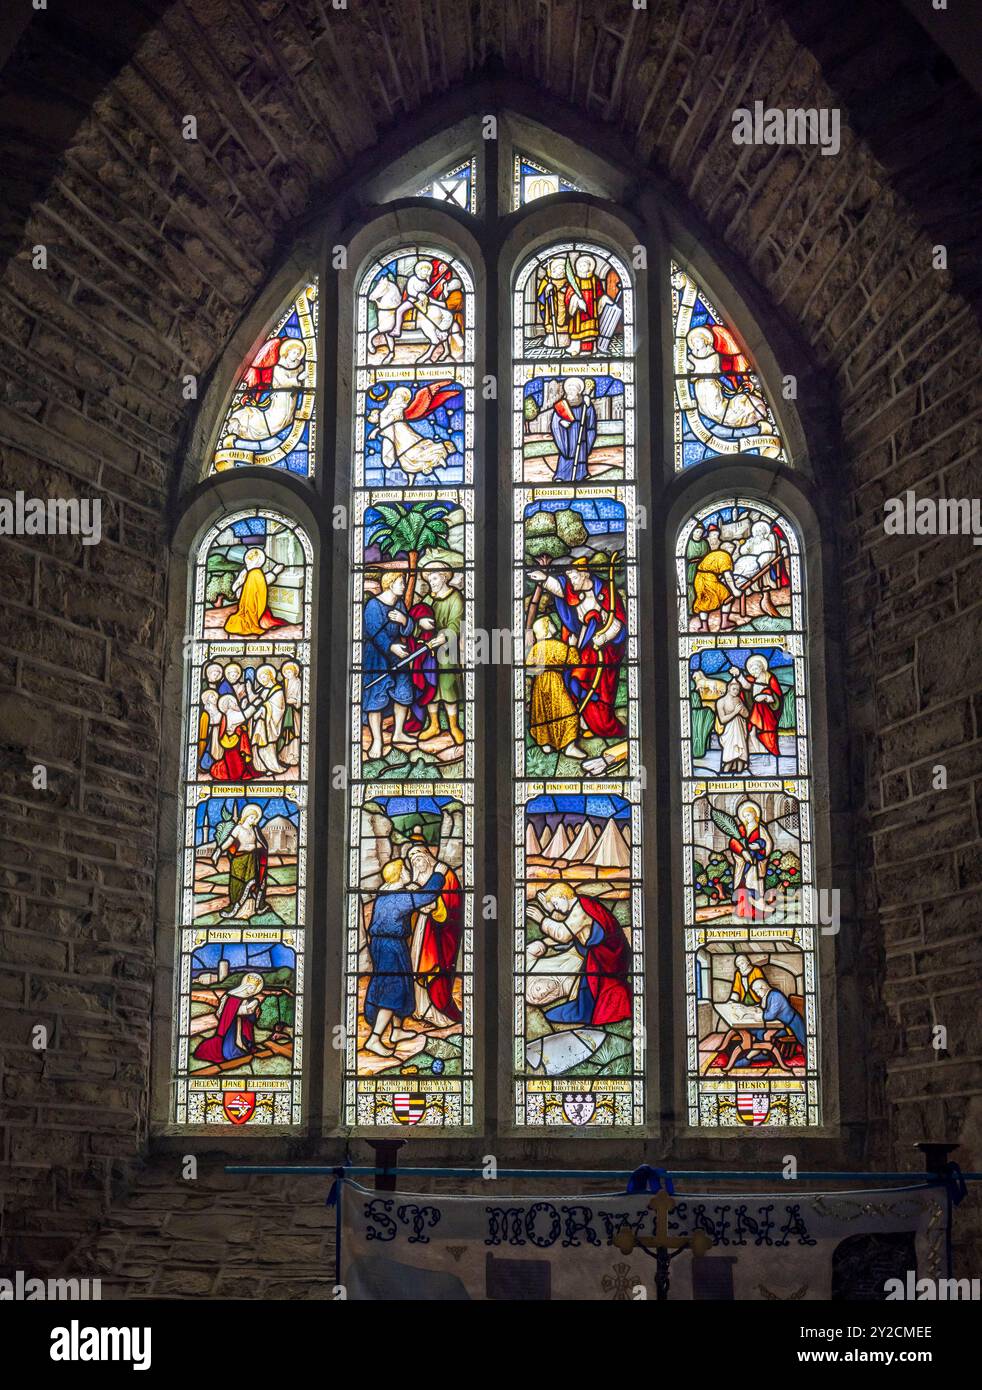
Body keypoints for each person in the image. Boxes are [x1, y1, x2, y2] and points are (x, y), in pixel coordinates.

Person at [528, 555, 626, 738]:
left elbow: (618, 622)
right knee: (573, 678)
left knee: (592, 687)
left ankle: (598, 723)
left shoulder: (605, 592)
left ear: (585, 574)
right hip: (584, 646)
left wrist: (603, 637)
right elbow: (561, 589)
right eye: (570, 578)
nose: (571, 582)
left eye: (573, 577)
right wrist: (543, 578)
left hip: (604, 653)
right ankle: (583, 719)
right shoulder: (575, 592)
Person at [363, 856, 449, 1056]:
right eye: (406, 869)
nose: (409, 871)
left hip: (388, 944)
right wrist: (439, 874)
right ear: (400, 873)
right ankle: (374, 1038)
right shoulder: (398, 898)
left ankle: (396, 1031)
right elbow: (425, 897)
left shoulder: (386, 895)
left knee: (402, 985)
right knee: (393, 989)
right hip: (389, 947)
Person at [526, 882, 631, 1026]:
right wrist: (550, 910)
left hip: (607, 954)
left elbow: (563, 934)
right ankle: (586, 1009)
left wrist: (542, 919)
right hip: (595, 952)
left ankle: (590, 1011)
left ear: (564, 896)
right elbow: (567, 928)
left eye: (556, 903)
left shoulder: (580, 910)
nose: (556, 907)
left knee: (599, 987)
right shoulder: (578, 906)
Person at [406, 840, 463, 1028]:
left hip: (440, 931)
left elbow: (453, 904)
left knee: (435, 969)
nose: (416, 863)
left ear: (427, 855)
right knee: (417, 965)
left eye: (418, 858)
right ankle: (423, 1010)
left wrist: (435, 906)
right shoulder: (420, 875)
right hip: (422, 928)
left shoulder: (444, 873)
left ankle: (440, 1013)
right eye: (413, 861)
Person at [362, 573, 416, 760]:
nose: (404, 586)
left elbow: (408, 629)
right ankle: (377, 740)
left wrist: (404, 621)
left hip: (397, 655)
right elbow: (372, 631)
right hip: (376, 656)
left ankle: (398, 732)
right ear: (390, 584)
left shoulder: (399, 604)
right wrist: (391, 646)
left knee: (403, 690)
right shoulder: (373, 606)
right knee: (375, 697)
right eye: (401, 583)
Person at [418, 562, 464, 746]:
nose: (432, 582)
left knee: (448, 686)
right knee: (431, 687)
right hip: (429, 650)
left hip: (447, 649)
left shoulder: (455, 597)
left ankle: (454, 726)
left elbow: (456, 621)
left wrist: (444, 635)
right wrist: (420, 623)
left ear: (444, 577)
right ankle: (434, 725)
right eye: (429, 579)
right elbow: (418, 616)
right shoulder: (429, 600)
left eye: (435, 578)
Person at [526, 616, 584, 757]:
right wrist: (572, 645)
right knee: (568, 712)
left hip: (540, 685)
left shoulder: (536, 648)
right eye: (549, 622)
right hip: (555, 683)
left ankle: (545, 744)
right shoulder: (558, 646)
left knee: (542, 714)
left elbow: (527, 668)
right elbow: (574, 660)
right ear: (546, 628)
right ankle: (569, 746)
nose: (552, 624)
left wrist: (539, 671)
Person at [192, 973, 264, 1064]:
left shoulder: (250, 999)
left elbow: (248, 1013)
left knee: (241, 1038)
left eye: (254, 990)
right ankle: (236, 1049)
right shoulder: (232, 995)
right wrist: (246, 1008)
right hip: (231, 1025)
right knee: (229, 1048)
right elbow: (225, 1011)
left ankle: (243, 1046)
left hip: (240, 1023)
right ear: (245, 986)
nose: (252, 991)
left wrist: (251, 1008)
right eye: (251, 988)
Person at [214, 804, 268, 919]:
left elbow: (261, 843)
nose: (253, 820)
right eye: (251, 817)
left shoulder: (255, 829)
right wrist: (218, 851)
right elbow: (229, 841)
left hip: (252, 859)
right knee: (238, 883)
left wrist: (260, 847)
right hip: (239, 860)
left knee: (255, 881)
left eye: (255, 818)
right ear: (246, 816)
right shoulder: (238, 828)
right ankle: (235, 906)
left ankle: (257, 906)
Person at [726, 799, 773, 920]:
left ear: (754, 814)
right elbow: (733, 842)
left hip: (757, 861)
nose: (747, 817)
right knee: (744, 883)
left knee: (757, 883)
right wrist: (743, 852)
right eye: (745, 816)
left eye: (749, 814)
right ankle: (743, 909)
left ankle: (760, 906)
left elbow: (767, 842)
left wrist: (760, 846)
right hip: (745, 862)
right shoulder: (741, 829)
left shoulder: (760, 828)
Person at [224, 548, 286, 637]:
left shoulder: (250, 572)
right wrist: (275, 571)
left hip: (248, 604)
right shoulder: (255, 573)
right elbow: (264, 581)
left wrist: (238, 589)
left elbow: (237, 585)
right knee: (265, 620)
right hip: (253, 606)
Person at [732, 654, 783, 759]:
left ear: (761, 667)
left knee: (766, 734)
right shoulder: (753, 678)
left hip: (767, 713)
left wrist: (767, 695)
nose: (753, 672)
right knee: (752, 734)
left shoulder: (770, 678)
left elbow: (777, 696)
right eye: (751, 670)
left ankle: (770, 753)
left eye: (755, 669)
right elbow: (747, 686)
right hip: (756, 710)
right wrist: (739, 675)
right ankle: (762, 752)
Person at [691, 525, 740, 632]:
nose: (733, 552)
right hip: (708, 579)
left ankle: (704, 627)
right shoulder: (725, 557)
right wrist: (735, 590)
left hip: (699, 578)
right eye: (732, 550)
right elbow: (727, 576)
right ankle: (724, 623)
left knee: (703, 601)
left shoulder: (715, 554)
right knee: (727, 597)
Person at [550, 377, 596, 481]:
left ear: (578, 391)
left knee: (580, 454)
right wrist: (561, 423)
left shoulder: (584, 404)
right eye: (569, 389)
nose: (571, 391)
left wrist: (588, 406)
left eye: (574, 389)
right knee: (566, 455)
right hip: (567, 436)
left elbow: (591, 421)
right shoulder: (562, 405)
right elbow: (555, 421)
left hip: (581, 434)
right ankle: (561, 475)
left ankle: (581, 474)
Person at [249, 665, 287, 776]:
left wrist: (263, 709)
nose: (262, 680)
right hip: (259, 723)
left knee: (267, 746)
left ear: (270, 676)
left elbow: (278, 708)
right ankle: (260, 766)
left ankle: (272, 767)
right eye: (260, 678)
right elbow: (255, 701)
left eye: (264, 677)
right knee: (257, 745)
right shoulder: (262, 689)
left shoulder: (278, 690)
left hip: (268, 724)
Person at [716, 676, 750, 773]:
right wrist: (735, 712)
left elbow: (747, 714)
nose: (736, 691)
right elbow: (722, 720)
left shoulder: (738, 699)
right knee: (729, 756)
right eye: (734, 689)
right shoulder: (720, 702)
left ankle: (740, 774)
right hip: (729, 730)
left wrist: (742, 711)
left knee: (741, 756)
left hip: (740, 728)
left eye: (738, 690)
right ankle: (725, 775)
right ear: (728, 688)